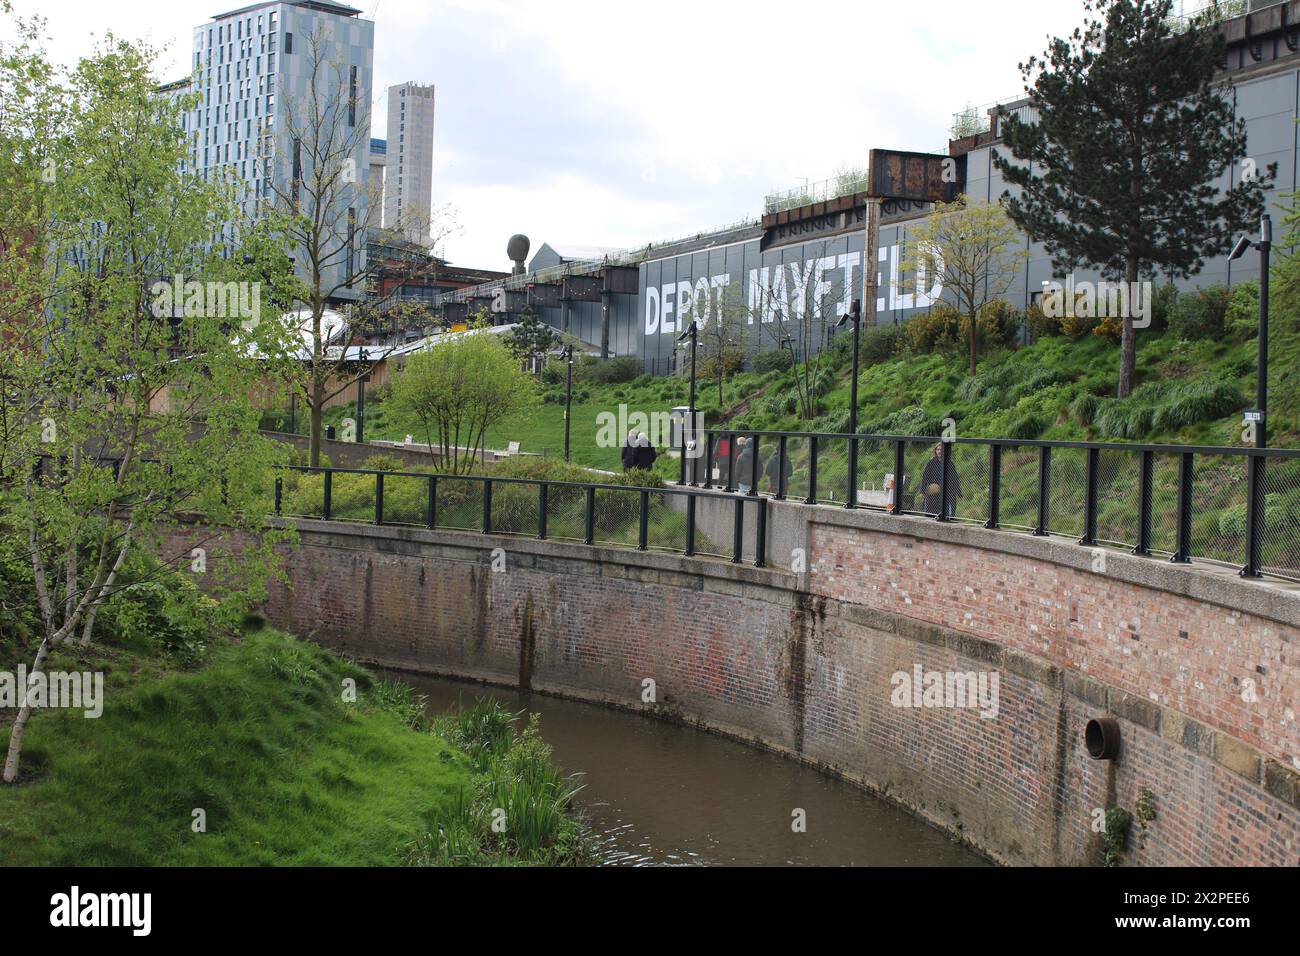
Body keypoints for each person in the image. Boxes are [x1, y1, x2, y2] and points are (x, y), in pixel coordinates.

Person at [921, 442, 962, 517]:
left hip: (947, 491)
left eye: (941, 449)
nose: (939, 451)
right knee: (930, 514)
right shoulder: (931, 462)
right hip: (934, 491)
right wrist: (923, 491)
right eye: (938, 449)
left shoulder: (949, 463)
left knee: (947, 514)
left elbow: (955, 479)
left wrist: (959, 493)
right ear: (935, 451)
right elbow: (925, 477)